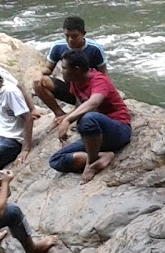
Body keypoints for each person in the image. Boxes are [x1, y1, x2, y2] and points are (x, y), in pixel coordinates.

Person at [48, 50, 132, 182]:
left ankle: (91, 164)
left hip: (118, 131)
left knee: (89, 118)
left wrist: (67, 120)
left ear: (76, 69)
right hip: (95, 138)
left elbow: (93, 102)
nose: (62, 71)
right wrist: (73, 119)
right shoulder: (75, 81)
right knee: (56, 160)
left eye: (64, 68)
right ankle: (102, 156)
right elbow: (79, 103)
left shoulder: (99, 80)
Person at [34, 16, 108, 119]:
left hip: (89, 91)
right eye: (67, 36)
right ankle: (59, 114)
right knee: (39, 82)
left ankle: (76, 114)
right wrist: (39, 74)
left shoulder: (94, 49)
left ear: (83, 34)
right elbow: (48, 69)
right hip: (70, 89)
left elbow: (104, 76)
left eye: (74, 36)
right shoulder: (58, 47)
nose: (70, 40)